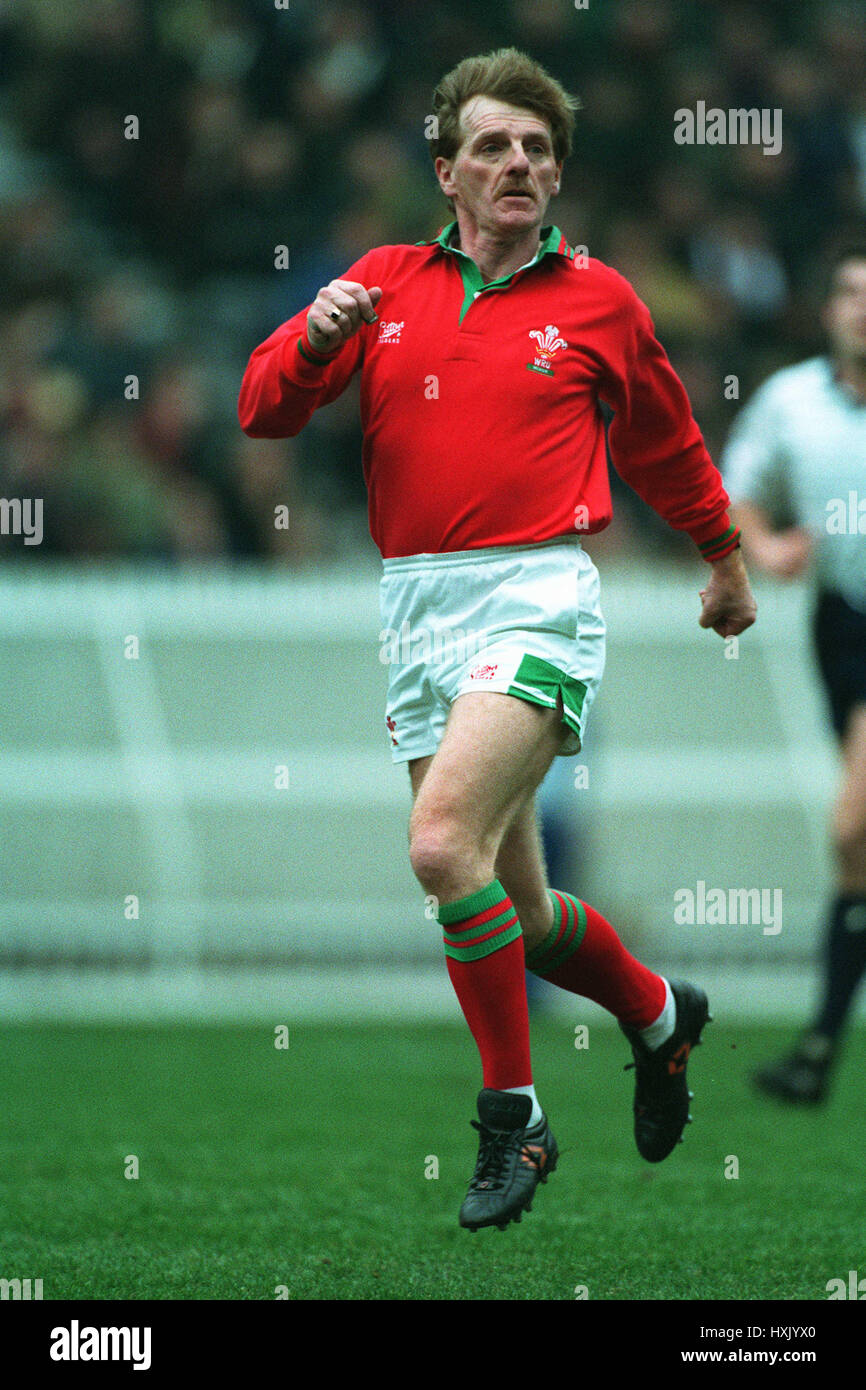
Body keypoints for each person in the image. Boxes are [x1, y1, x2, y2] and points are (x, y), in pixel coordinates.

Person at [238, 47, 756, 1231]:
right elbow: (260, 408)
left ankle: (511, 1118)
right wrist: (315, 337)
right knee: (508, 907)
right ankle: (661, 1013)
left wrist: (720, 556)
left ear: (556, 174)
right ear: (446, 172)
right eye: (491, 145)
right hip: (413, 603)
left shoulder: (599, 301)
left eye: (535, 147)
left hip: (536, 596)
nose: (516, 163)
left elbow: (666, 442)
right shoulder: (379, 283)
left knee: (436, 848)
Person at [724, 244, 866, 1105]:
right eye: (849, 290)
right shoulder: (791, 401)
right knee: (857, 848)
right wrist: (767, 544)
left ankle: (818, 1047)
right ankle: (817, 1052)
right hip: (843, 626)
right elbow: (735, 489)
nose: (862, 306)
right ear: (827, 311)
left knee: (854, 831)